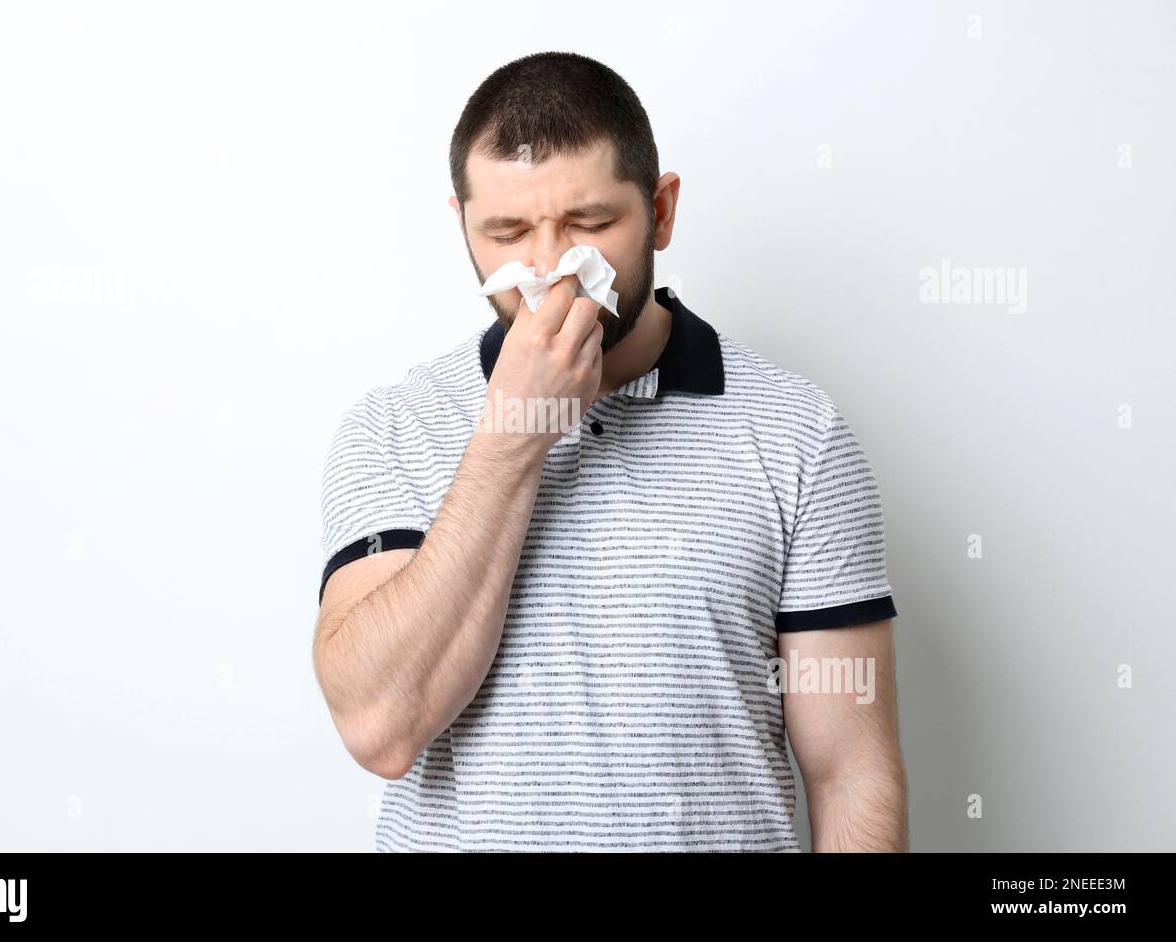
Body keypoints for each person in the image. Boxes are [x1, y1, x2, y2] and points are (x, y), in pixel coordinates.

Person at [313, 51, 906, 852]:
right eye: (508, 232)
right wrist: (514, 436)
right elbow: (381, 728)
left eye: (590, 226)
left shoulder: (798, 433)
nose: (554, 268)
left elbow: (850, 773)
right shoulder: (393, 429)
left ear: (660, 212)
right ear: (464, 226)